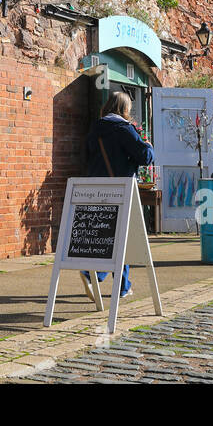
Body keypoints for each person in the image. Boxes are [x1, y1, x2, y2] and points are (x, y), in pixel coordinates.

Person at [80, 90, 154, 301]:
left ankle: (119, 284)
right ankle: (97, 276)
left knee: (107, 236)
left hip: (96, 189)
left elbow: (85, 156)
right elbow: (144, 156)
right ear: (124, 109)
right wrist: (148, 147)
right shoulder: (124, 129)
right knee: (123, 238)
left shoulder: (94, 129)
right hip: (120, 188)